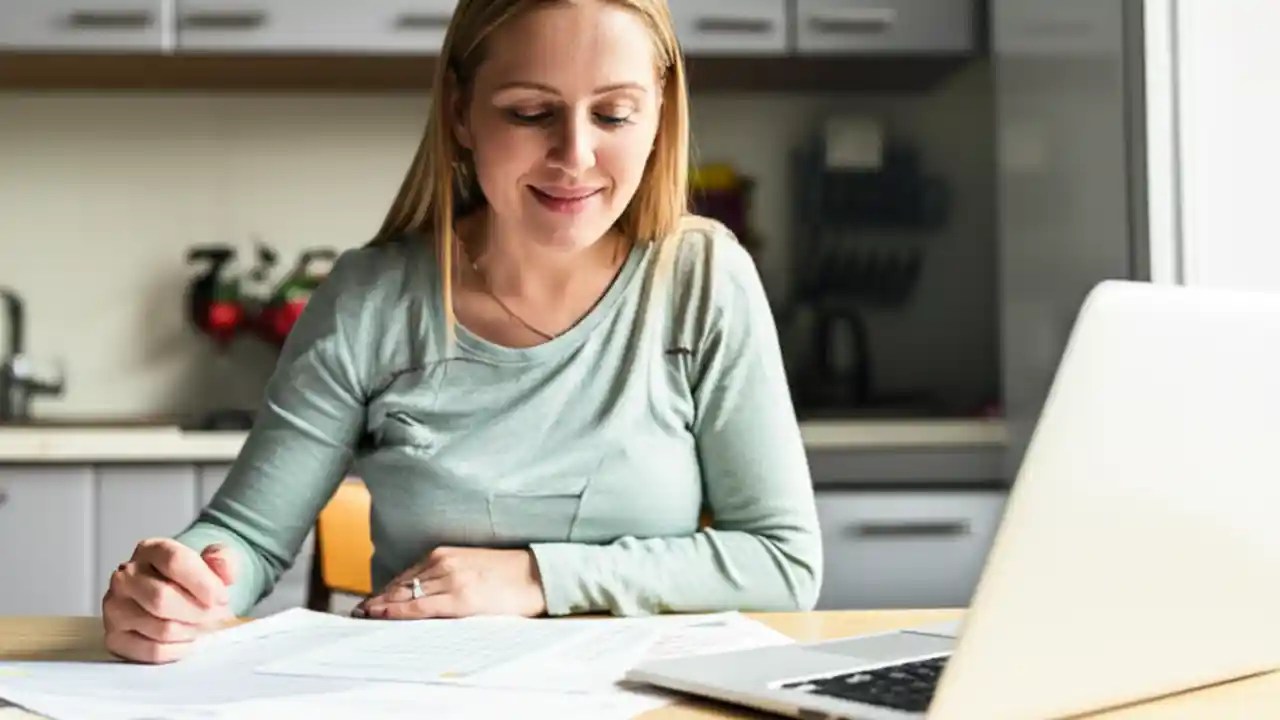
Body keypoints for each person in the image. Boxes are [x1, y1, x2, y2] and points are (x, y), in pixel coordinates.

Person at [101, 0, 822, 664]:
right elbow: (250, 539)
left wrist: (537, 577)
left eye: (614, 115)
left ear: (660, 112)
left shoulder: (703, 277)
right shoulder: (369, 298)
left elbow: (783, 563)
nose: (575, 155)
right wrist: (181, 583)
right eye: (531, 111)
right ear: (460, 111)